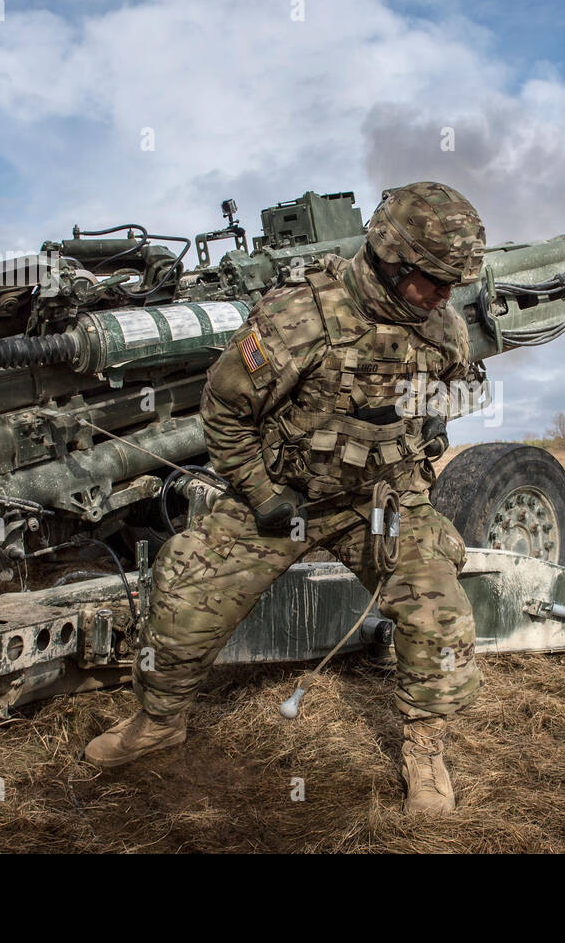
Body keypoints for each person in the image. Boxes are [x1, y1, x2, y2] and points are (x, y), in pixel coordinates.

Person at [86, 181, 487, 814]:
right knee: (183, 594)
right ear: (392, 258)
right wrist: (261, 494)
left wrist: (426, 427)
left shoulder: (443, 330)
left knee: (439, 612)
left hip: (380, 501)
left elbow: (450, 393)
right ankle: (159, 721)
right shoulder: (298, 319)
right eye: (435, 280)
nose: (445, 295)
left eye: (453, 283)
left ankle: (425, 749)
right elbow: (223, 411)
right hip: (282, 497)